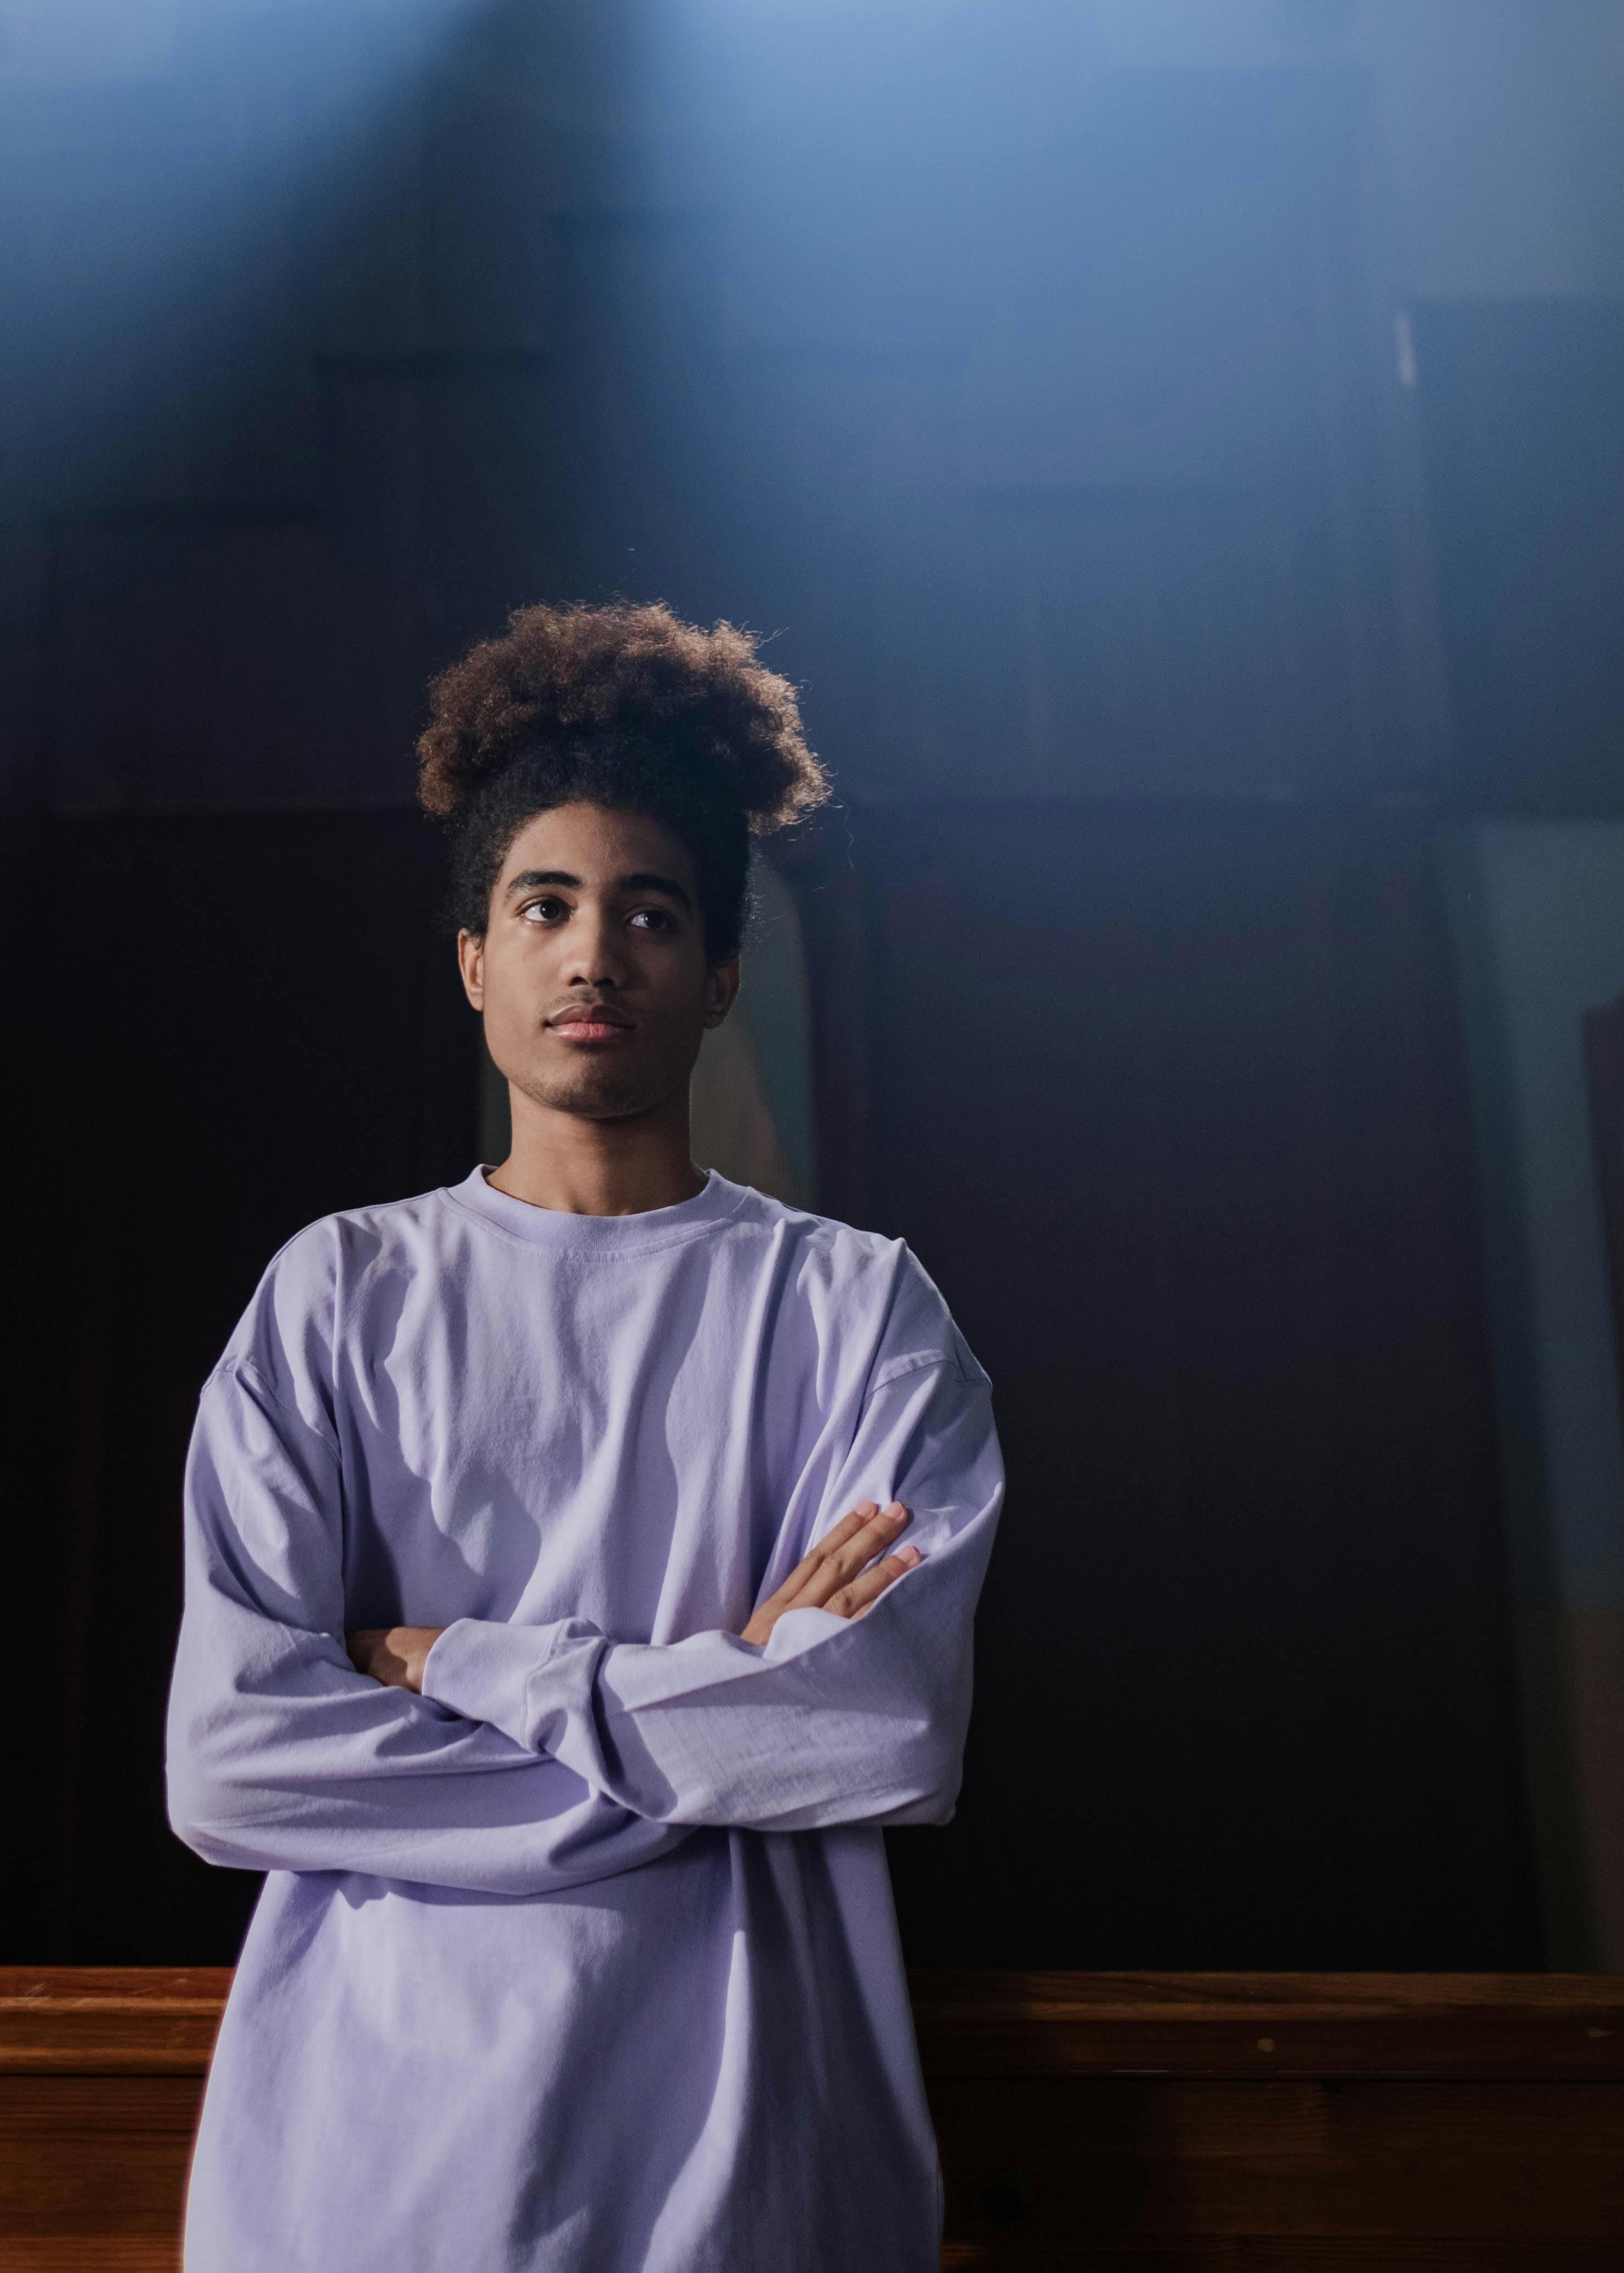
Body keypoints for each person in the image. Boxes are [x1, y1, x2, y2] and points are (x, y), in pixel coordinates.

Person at [167, 602, 1003, 2270]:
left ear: (716, 974)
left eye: (647, 908)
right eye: (540, 903)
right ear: (473, 959)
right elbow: (228, 1758)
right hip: (369, 2147)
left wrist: (459, 1658)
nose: (590, 950)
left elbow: (882, 1729)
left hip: (743, 2142)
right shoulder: (338, 1290)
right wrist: (719, 1696)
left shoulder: (854, 1306)